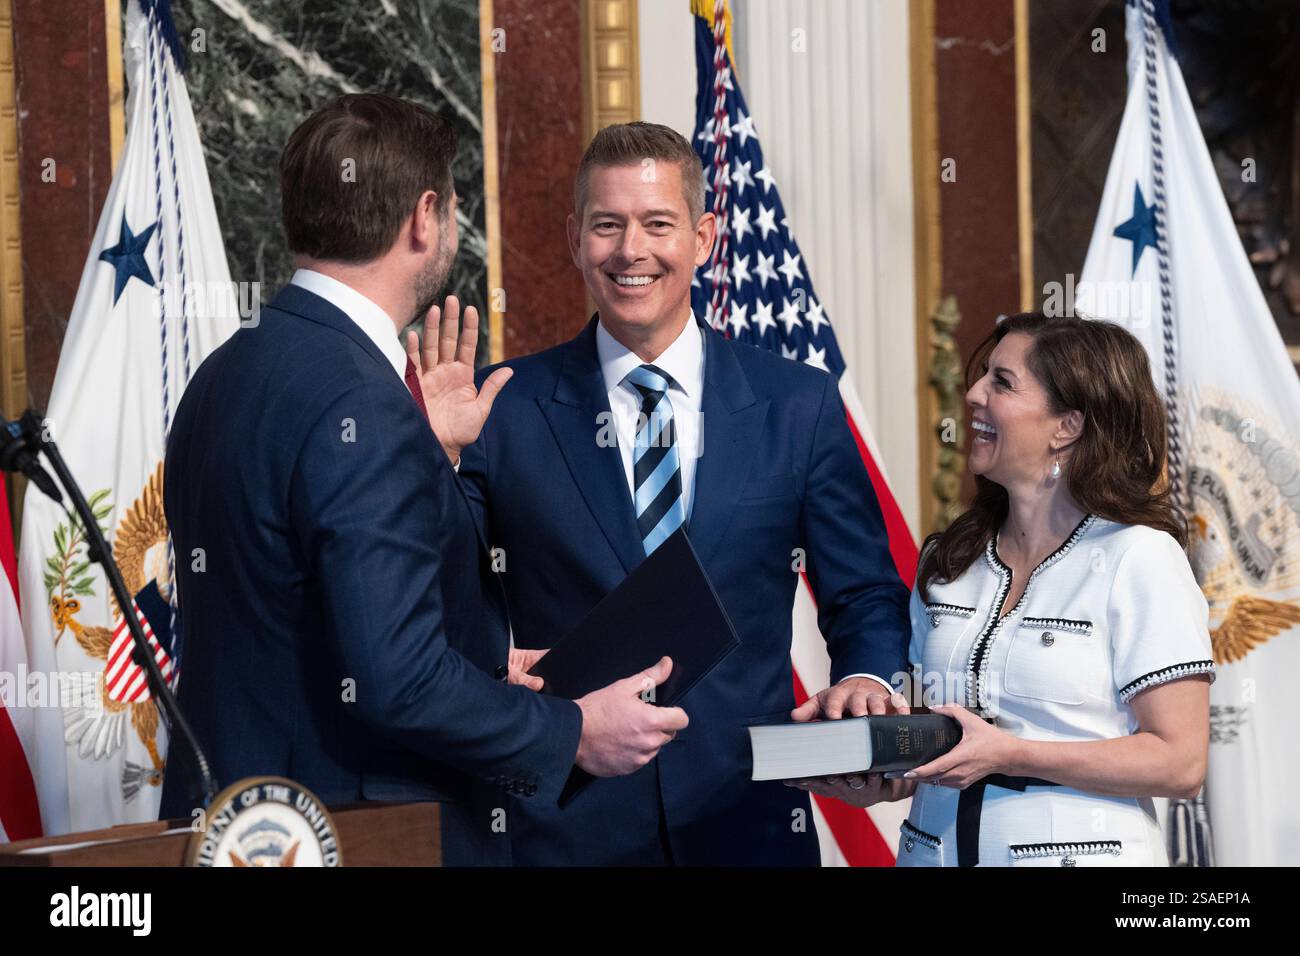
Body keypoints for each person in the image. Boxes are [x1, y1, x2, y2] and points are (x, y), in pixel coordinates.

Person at [158, 94, 687, 865]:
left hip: (236, 826)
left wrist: (477, 657)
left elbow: (304, 608)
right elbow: (395, 678)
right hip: (356, 830)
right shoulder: (362, 401)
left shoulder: (223, 373)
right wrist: (574, 732)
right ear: (423, 216)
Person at [438, 122, 911, 865]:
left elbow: (866, 596)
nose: (632, 250)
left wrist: (864, 676)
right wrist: (435, 456)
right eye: (607, 225)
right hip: (559, 831)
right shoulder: (500, 408)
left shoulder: (799, 405)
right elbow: (441, 601)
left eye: (658, 224)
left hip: (748, 823)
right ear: (574, 238)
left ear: (703, 237)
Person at [796, 312, 1214, 867]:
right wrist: (873, 774)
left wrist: (1009, 755)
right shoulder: (950, 561)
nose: (972, 394)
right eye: (981, 376)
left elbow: (1180, 763)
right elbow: (942, 745)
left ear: (1067, 425)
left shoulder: (1138, 557)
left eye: (1002, 382)